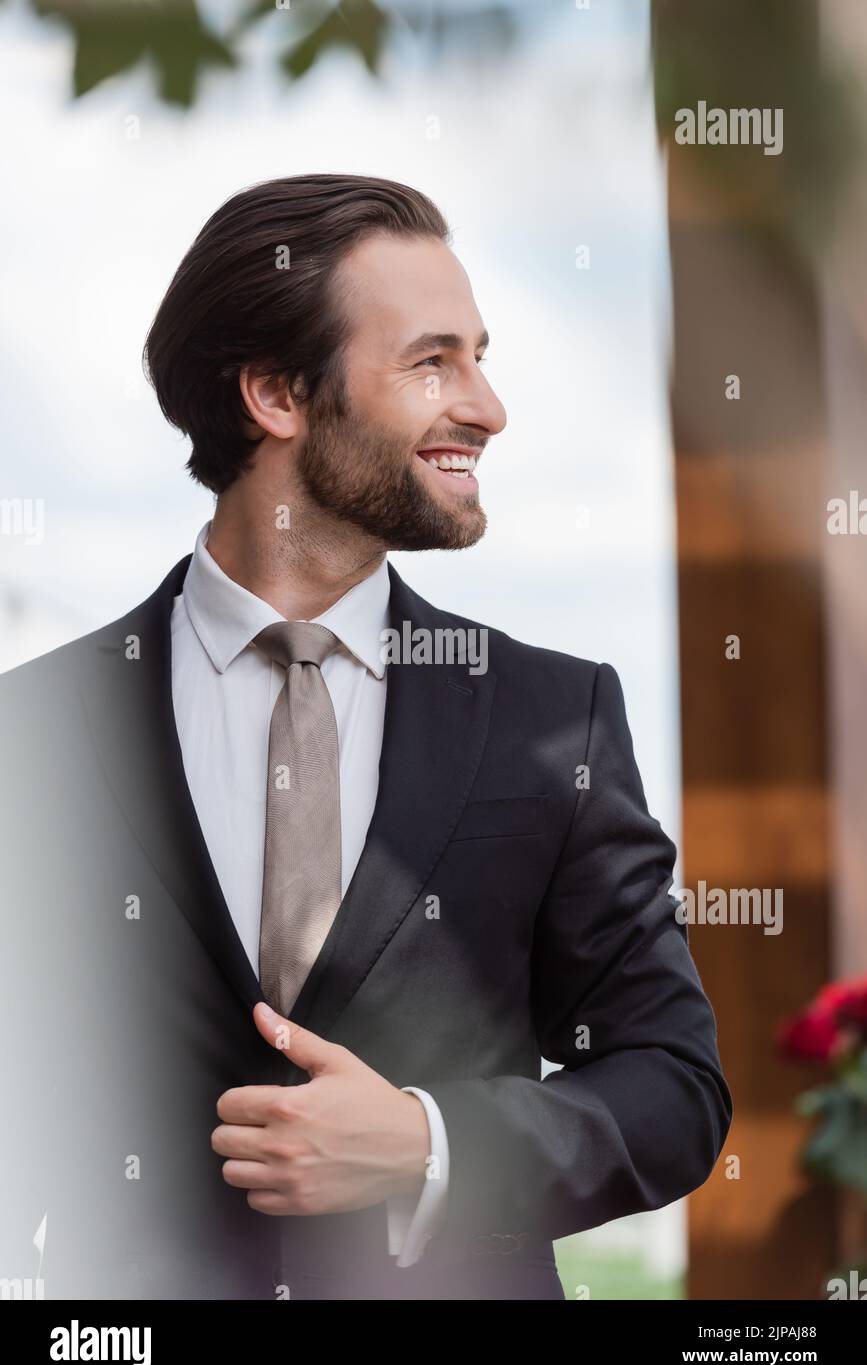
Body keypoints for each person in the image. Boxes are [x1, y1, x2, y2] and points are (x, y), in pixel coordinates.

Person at [0, 174, 731, 1301]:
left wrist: (428, 1145)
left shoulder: (553, 718)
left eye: (480, 357)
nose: (486, 406)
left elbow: (674, 1089)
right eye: (434, 362)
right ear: (277, 395)